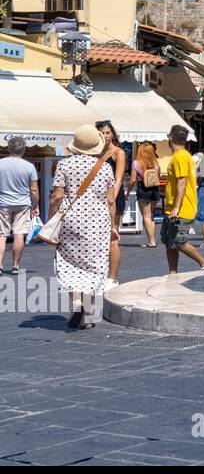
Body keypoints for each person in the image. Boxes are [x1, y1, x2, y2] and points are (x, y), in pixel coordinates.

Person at [47, 125, 116, 330]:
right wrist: (113, 226)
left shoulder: (64, 166)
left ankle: (76, 302)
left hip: (71, 221)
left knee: (69, 263)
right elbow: (110, 200)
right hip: (98, 222)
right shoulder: (104, 167)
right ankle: (87, 315)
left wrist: (50, 218)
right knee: (94, 266)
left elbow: (57, 196)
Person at [161, 124, 204, 275]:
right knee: (169, 242)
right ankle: (172, 272)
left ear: (170, 138)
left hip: (181, 208)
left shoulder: (181, 156)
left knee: (178, 241)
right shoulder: (181, 155)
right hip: (173, 207)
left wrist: (176, 207)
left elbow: (182, 181)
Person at [96, 120, 127, 290]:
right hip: (96, 199)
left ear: (112, 134)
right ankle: (101, 273)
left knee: (112, 237)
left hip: (113, 198)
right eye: (102, 133)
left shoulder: (118, 152)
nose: (105, 136)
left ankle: (113, 278)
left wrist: (111, 201)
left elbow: (119, 178)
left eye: (108, 132)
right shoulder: (95, 153)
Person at [0, 137, 39, 274]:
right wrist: (36, 206)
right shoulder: (29, 166)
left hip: (3, 203)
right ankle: (15, 266)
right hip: (22, 204)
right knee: (19, 234)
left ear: (8, 148)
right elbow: (34, 189)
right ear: (23, 150)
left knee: (2, 235)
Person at [130, 141, 162, 248]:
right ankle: (152, 239)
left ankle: (151, 241)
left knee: (146, 216)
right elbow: (159, 175)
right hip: (155, 189)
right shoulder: (156, 163)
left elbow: (133, 180)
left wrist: (128, 192)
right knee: (150, 215)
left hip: (143, 189)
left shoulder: (136, 163)